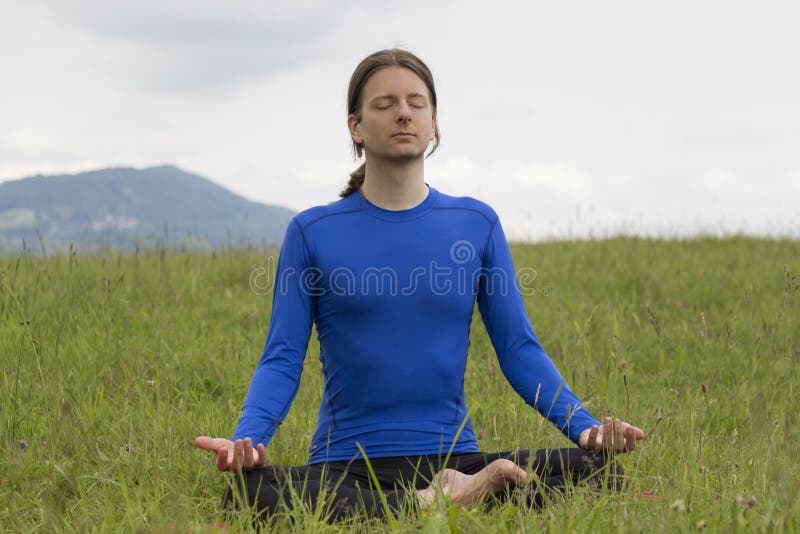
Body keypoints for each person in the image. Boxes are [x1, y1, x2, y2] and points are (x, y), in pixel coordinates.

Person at [195, 48, 645, 523]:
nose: (403, 112)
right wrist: (250, 439)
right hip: (346, 467)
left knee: (603, 471)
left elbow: (518, 348)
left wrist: (586, 430)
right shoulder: (311, 231)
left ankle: (452, 493)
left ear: (434, 123)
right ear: (355, 127)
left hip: (455, 459)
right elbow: (282, 356)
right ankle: (446, 501)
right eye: (385, 103)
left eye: (416, 102)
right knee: (247, 492)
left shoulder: (476, 223)